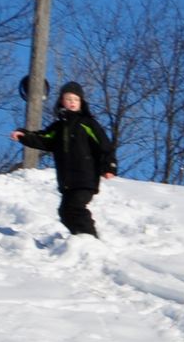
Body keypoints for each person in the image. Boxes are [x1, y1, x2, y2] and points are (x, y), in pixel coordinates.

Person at [13, 83, 118, 239]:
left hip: (85, 178)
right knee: (64, 212)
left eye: (76, 99)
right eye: (68, 98)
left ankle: (90, 239)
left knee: (76, 207)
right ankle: (79, 238)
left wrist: (109, 165)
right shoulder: (58, 127)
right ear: (62, 101)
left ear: (81, 102)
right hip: (67, 180)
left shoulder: (87, 123)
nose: (72, 102)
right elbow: (43, 138)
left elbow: (104, 145)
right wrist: (24, 135)